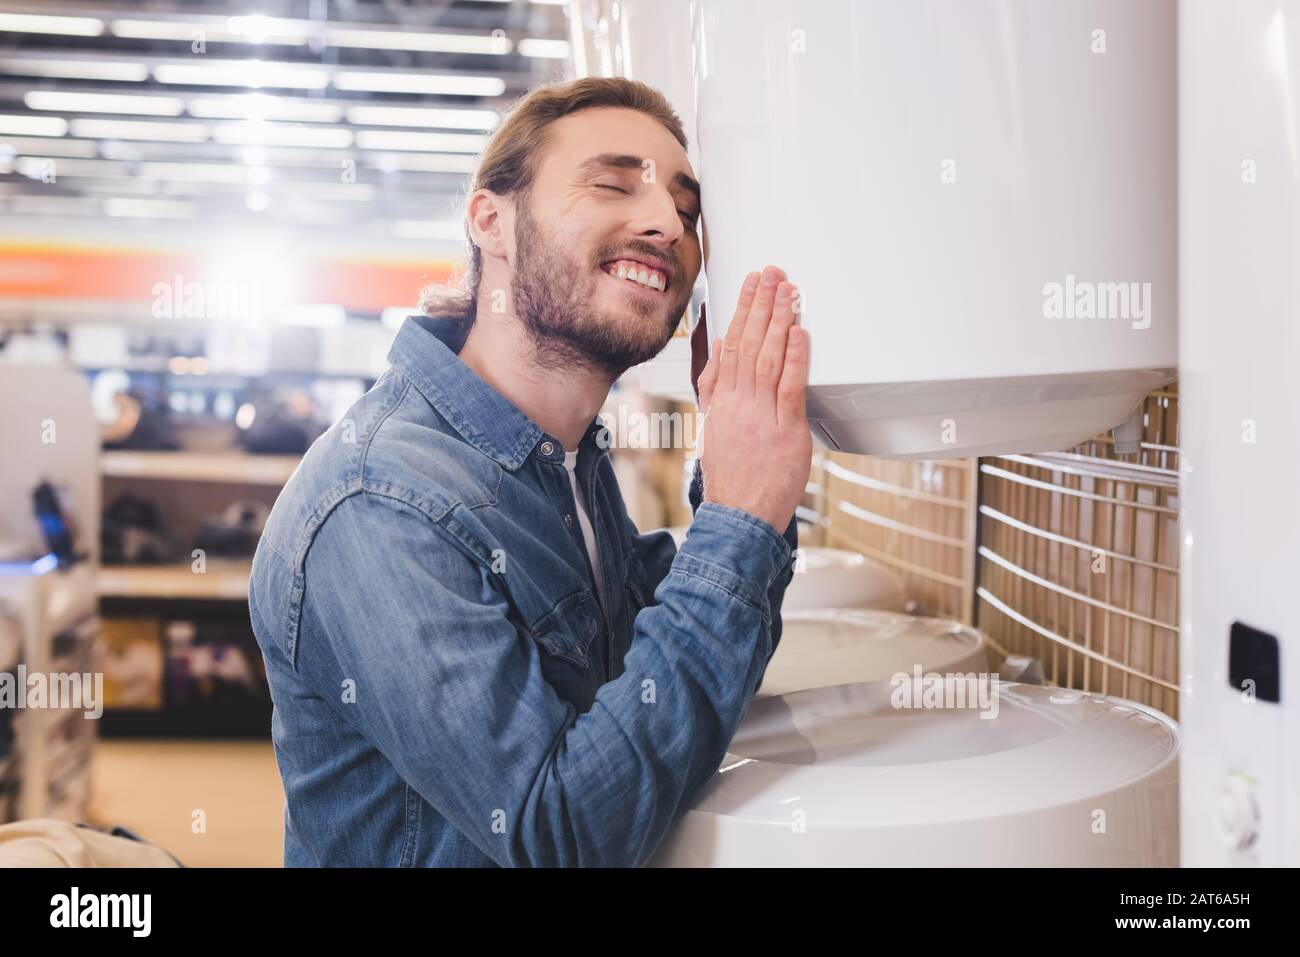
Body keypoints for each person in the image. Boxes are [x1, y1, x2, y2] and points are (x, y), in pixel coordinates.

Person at [248, 76, 813, 866]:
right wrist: (741, 520)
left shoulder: (566, 460)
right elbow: (559, 832)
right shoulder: (379, 502)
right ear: (493, 220)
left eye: (686, 211)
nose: (665, 224)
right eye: (615, 184)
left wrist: (750, 493)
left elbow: (663, 689)